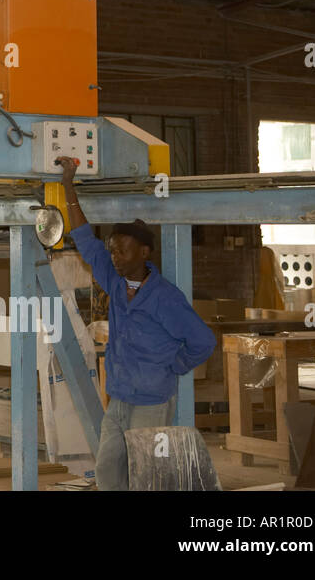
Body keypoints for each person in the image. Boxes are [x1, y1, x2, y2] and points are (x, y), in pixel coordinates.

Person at [55, 155, 215, 491]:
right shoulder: (114, 281)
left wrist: (174, 365)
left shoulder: (165, 298)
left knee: (148, 476)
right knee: (108, 469)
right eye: (112, 252)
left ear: (144, 252)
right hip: (120, 396)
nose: (114, 258)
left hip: (152, 401)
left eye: (122, 252)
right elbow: (84, 238)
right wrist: (68, 185)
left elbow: (204, 342)